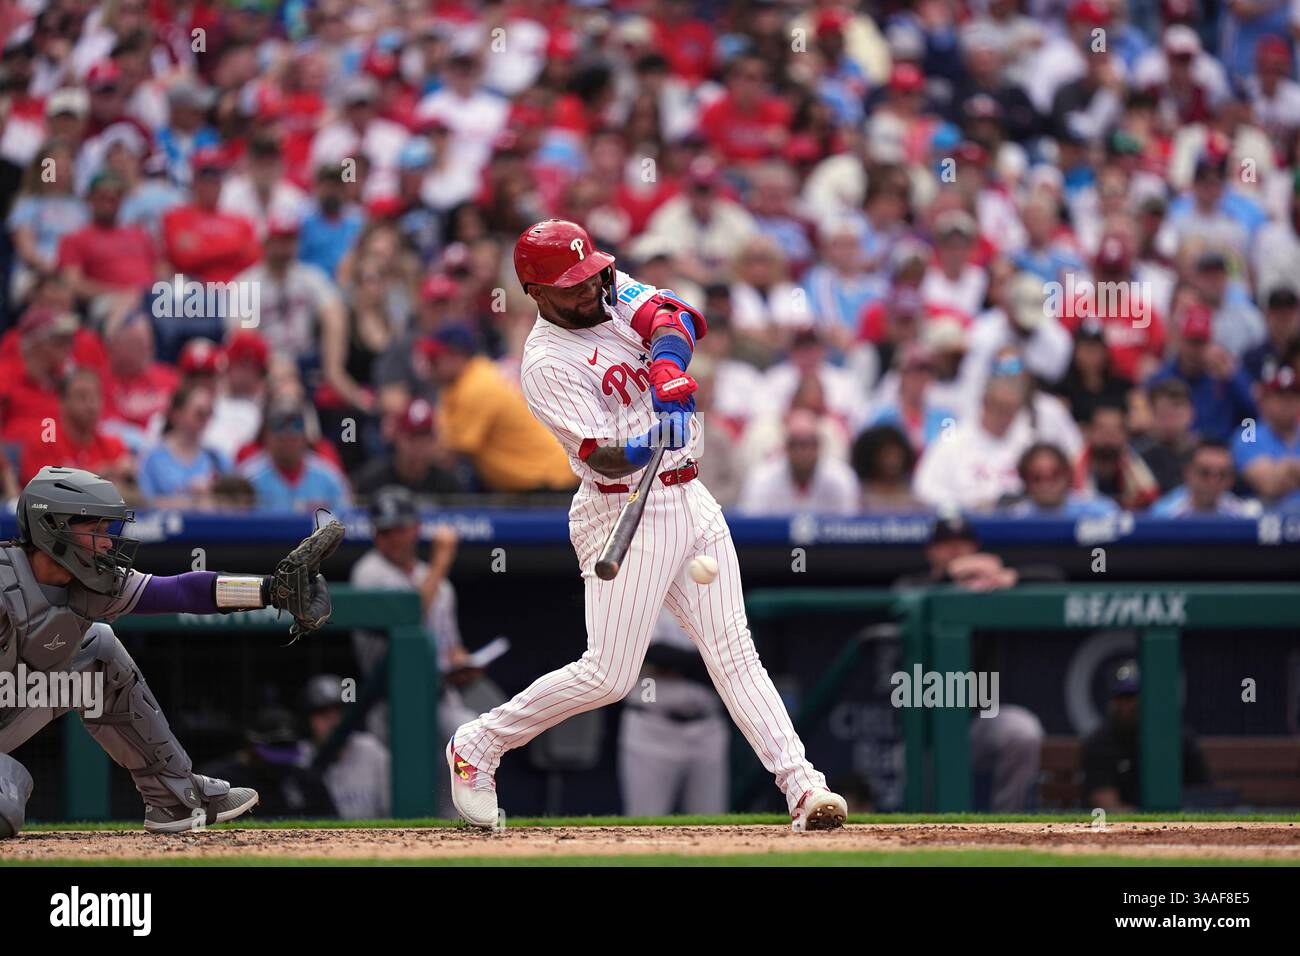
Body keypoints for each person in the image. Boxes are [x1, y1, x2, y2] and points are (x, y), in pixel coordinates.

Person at [447, 220, 847, 831]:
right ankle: (477, 746)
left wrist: (667, 368)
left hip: (691, 497)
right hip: (622, 507)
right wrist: (651, 436)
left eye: (591, 276)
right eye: (572, 286)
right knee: (609, 675)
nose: (589, 292)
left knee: (734, 652)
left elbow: (677, 315)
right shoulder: (545, 364)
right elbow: (601, 455)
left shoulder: (607, 290)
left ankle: (803, 787)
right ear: (535, 291)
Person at [0, 465, 336, 837]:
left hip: (11, 704)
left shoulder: (90, 583)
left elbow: (179, 591)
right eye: (95, 531)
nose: (108, 542)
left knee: (99, 648)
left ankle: (174, 798)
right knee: (5, 802)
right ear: (51, 527)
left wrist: (271, 591)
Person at [349, 487, 504, 793]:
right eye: (385, 531)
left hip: (440, 696)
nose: (393, 538)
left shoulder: (439, 584)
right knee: (399, 788)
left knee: (469, 740)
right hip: (390, 702)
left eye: (400, 529)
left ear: (416, 528)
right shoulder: (369, 571)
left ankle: (464, 827)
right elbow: (412, 612)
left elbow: (450, 646)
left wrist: (462, 664)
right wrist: (442, 560)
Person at [894, 513, 1048, 811]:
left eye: (962, 544)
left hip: (979, 719)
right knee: (913, 779)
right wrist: (952, 577)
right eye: (946, 545)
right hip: (926, 728)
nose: (955, 551)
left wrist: (1011, 579)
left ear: (976, 548)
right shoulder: (915, 584)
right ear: (931, 551)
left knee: (1023, 731)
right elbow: (903, 597)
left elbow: (1055, 577)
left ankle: (1007, 827)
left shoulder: (990, 591)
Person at [422, 325, 577, 493]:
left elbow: (452, 454)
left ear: (457, 357)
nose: (429, 366)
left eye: (435, 359)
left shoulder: (477, 386)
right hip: (534, 480)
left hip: (550, 481)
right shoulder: (460, 383)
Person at [619, 608, 728, 816]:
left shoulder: (719, 601)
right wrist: (704, 663)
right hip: (652, 728)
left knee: (711, 820)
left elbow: (735, 661)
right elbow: (655, 654)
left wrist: (683, 664)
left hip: (707, 729)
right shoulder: (643, 599)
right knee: (645, 821)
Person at [1082, 660, 1209, 812]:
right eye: (1120, 697)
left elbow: (1204, 795)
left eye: (1132, 697)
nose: (1126, 706)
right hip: (1126, 830)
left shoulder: (1178, 738)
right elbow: (1108, 805)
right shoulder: (1100, 743)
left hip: (1178, 823)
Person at [19, 366, 132, 486]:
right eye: (81, 397)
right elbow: (42, 488)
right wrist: (100, 474)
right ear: (62, 402)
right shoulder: (43, 441)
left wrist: (130, 474)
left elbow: (131, 494)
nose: (91, 405)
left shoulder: (114, 446)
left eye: (96, 397)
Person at [299, 674, 391, 820]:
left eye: (337, 710)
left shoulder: (371, 750)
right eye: (322, 713)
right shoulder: (300, 757)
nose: (332, 720)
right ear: (308, 720)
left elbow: (394, 812)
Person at [736, 408, 861, 515]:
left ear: (819, 446)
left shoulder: (840, 477)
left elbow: (849, 528)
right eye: (795, 444)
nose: (803, 451)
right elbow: (751, 524)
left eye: (809, 443)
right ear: (785, 447)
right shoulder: (762, 477)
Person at [239, 397, 352, 513]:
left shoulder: (330, 478)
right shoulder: (248, 479)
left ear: (305, 435)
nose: (288, 434)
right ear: (265, 435)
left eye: (296, 425)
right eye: (279, 425)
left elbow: (347, 521)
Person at [136, 381, 229, 509]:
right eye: (199, 414)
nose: (206, 421)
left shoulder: (218, 459)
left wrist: (212, 496)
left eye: (209, 414)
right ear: (177, 414)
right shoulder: (152, 458)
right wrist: (192, 501)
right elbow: (143, 503)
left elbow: (235, 504)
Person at [1232, 365, 1300, 509]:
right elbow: (1269, 485)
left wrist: (1283, 468)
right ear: (1263, 401)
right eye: (1280, 396)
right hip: (1265, 521)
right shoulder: (1248, 432)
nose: (1288, 402)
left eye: (1293, 396)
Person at [1006, 442, 1119, 516]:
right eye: (1037, 477)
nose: (1046, 484)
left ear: (1067, 475)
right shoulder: (1015, 518)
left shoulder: (1100, 511)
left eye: (1054, 475)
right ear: (1025, 480)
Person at [1151, 439, 1259, 516]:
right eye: (1205, 473)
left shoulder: (1243, 515)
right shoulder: (1164, 515)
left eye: (1222, 475)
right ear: (1188, 473)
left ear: (1231, 479)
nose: (1213, 481)